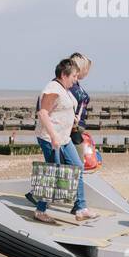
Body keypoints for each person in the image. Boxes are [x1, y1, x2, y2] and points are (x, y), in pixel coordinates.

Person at [33, 57, 98, 223]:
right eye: (74, 76)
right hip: (50, 139)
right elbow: (43, 113)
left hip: (64, 138)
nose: (76, 79)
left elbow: (63, 108)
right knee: (52, 173)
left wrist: (73, 118)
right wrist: (54, 136)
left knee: (78, 166)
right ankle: (40, 211)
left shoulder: (64, 88)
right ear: (64, 74)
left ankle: (81, 208)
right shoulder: (52, 88)